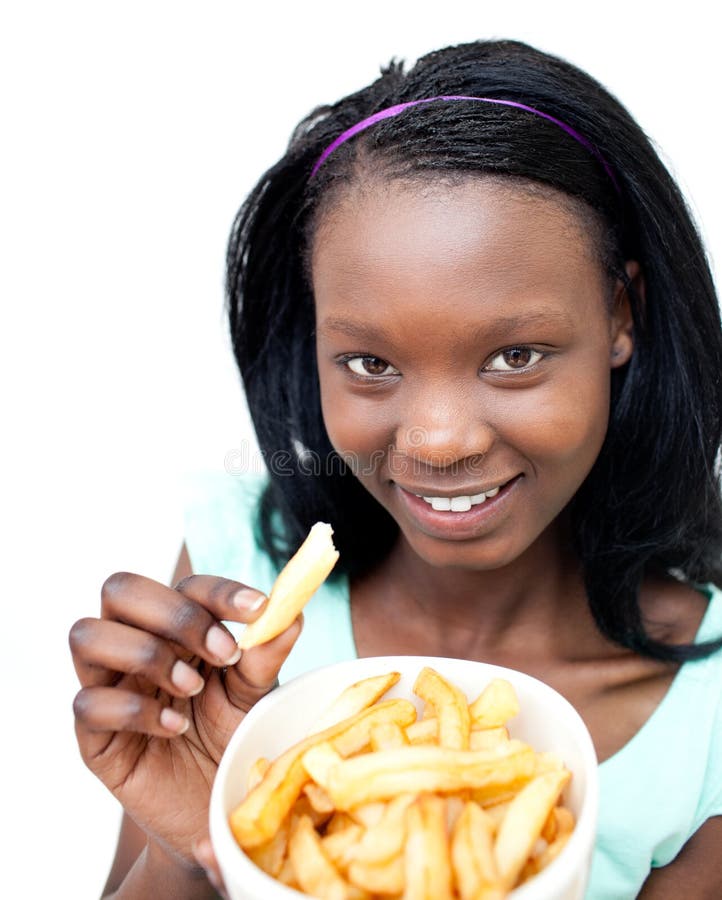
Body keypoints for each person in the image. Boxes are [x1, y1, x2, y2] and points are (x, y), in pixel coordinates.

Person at [69, 38, 722, 899]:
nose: (439, 441)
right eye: (370, 365)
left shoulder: (703, 719)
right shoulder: (232, 586)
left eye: (515, 355)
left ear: (619, 315)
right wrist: (189, 843)